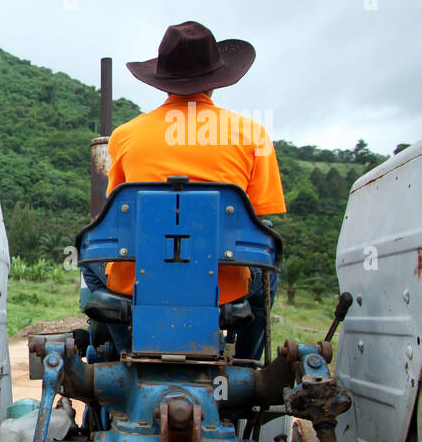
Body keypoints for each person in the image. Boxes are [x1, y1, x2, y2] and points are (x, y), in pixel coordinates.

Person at [85, 21, 286, 359]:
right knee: (270, 254)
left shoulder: (125, 135)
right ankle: (248, 363)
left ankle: (125, 354)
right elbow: (260, 221)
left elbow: (117, 213)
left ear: (163, 81)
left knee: (90, 261)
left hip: (135, 278)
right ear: (216, 79)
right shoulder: (252, 133)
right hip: (226, 284)